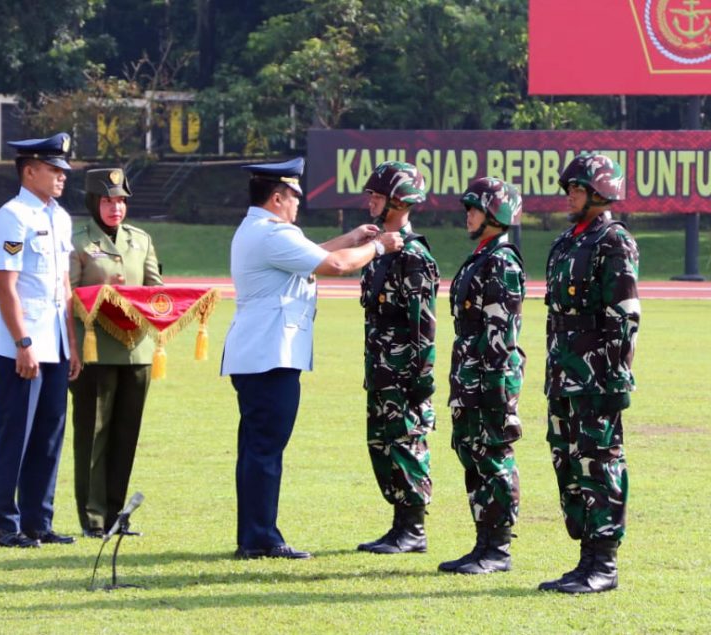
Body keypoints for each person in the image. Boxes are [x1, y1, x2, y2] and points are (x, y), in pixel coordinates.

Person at [222, 157, 404, 560]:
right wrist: (378, 246)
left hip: (259, 354)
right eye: (293, 197)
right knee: (265, 451)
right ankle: (260, 538)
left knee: (257, 449)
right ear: (276, 198)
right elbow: (335, 266)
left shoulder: (260, 230)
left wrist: (352, 237)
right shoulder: (273, 233)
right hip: (270, 356)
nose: (297, 204)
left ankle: (255, 534)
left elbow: (310, 255)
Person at [539, 153, 640, 594]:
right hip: (564, 374)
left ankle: (604, 564)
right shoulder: (566, 242)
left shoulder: (614, 242)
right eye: (569, 188)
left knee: (599, 462)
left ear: (600, 193)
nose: (570, 195)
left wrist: (616, 377)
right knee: (567, 462)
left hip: (597, 376)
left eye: (578, 188)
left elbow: (625, 317)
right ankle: (585, 560)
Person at [0, 132, 81, 548]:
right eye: (53, 169)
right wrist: (23, 343)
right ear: (29, 172)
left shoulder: (60, 217)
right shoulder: (12, 217)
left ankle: (38, 521)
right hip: (19, 344)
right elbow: (5, 287)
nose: (62, 176)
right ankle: (4, 524)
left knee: (49, 435)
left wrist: (71, 343)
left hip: (54, 341)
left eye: (63, 169)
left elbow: (63, 286)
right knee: (16, 436)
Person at [438, 177, 525, 575]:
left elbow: (501, 332)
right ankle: (483, 543)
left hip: (491, 379)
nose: (468, 215)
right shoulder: (482, 257)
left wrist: (496, 390)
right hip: (470, 376)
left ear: (495, 213)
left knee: (493, 458)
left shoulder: (501, 262)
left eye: (474, 208)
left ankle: (498, 549)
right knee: (473, 455)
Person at [69, 168, 163, 537]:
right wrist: (104, 299)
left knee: (126, 433)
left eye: (121, 201)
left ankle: (115, 515)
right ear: (94, 202)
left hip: (136, 351)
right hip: (95, 351)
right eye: (108, 201)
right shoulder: (79, 242)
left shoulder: (140, 240)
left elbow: (156, 290)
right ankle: (93, 517)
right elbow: (68, 298)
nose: (116, 208)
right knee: (93, 435)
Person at [356, 161, 440, 554]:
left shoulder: (413, 255)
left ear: (399, 202)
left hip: (404, 372)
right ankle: (398, 525)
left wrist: (420, 377)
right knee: (383, 444)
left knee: (407, 444)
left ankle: (413, 529)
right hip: (380, 369)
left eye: (378, 195)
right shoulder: (379, 250)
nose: (370, 201)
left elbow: (424, 324)